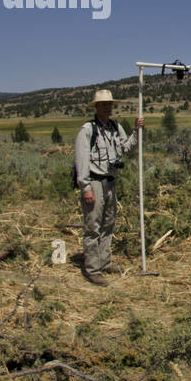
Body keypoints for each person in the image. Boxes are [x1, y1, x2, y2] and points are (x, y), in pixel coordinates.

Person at [74, 89, 141, 284]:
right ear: (96, 106)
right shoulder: (88, 129)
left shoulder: (115, 127)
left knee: (108, 224)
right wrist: (85, 187)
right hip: (94, 182)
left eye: (110, 104)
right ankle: (93, 270)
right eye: (104, 104)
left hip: (111, 182)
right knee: (93, 226)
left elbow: (126, 148)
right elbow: (81, 160)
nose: (108, 107)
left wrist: (136, 132)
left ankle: (104, 262)